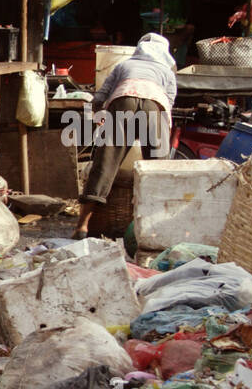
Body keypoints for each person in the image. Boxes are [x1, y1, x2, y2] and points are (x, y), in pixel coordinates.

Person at [74, 33, 177, 239]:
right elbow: (170, 101)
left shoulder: (123, 66)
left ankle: (82, 226)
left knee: (104, 165)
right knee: (157, 169)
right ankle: (155, 228)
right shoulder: (166, 71)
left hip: (123, 101)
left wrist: (99, 115)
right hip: (154, 106)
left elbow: (101, 96)